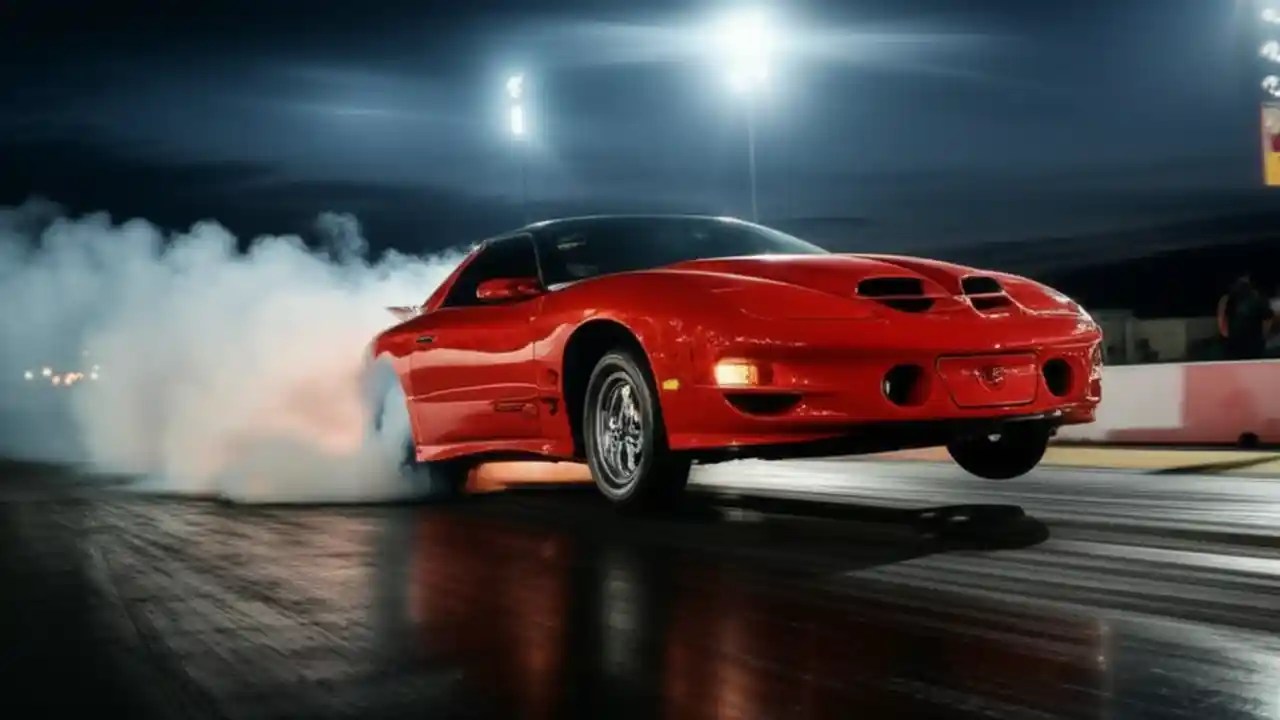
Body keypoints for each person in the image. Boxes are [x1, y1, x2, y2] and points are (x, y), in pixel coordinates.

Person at [1217, 275, 1275, 360]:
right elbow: (1222, 316)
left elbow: (1268, 318)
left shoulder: (1257, 299)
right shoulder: (1230, 298)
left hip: (1246, 344)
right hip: (1242, 344)